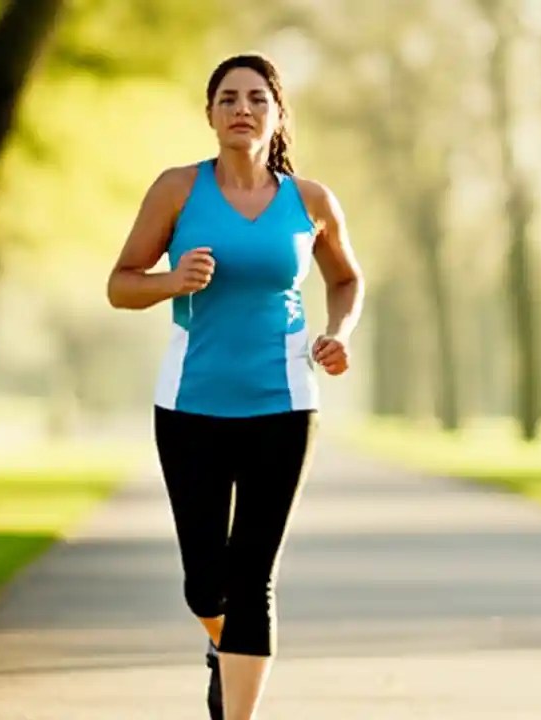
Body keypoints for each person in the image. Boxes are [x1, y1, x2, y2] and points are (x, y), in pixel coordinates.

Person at [105, 53, 364, 720]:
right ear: (211, 114)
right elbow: (121, 283)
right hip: (189, 407)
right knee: (205, 583)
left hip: (284, 405)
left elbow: (345, 279)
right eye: (228, 99)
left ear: (277, 115)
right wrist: (172, 281)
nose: (242, 109)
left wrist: (338, 332)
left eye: (256, 99)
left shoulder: (311, 201)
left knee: (253, 577)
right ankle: (223, 647)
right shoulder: (177, 190)